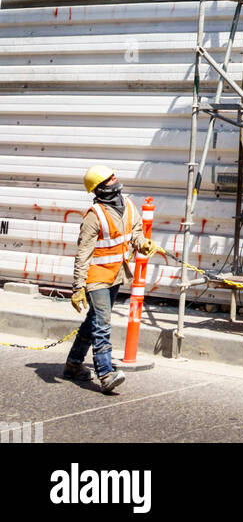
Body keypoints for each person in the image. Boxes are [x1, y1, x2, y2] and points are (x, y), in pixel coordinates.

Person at [63, 165, 163, 393]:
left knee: (93, 321)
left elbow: (136, 232)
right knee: (103, 324)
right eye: (108, 178)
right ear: (99, 188)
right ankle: (106, 374)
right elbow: (83, 254)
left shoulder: (127, 205)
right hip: (97, 278)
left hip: (116, 274)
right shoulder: (94, 215)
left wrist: (143, 243)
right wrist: (78, 287)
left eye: (113, 175)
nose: (114, 179)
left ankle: (73, 364)